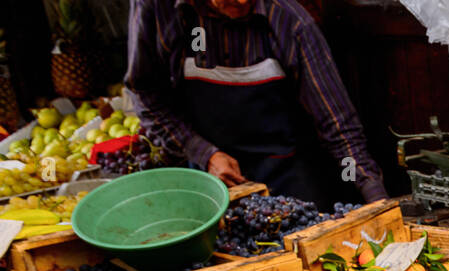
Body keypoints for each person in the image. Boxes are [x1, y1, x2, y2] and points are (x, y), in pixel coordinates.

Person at [126, 0, 387, 206]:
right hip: (208, 189)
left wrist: (373, 194)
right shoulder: (159, 9)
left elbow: (339, 126)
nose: (241, 1)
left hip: (291, 185)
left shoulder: (291, 22)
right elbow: (146, 93)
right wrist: (204, 153)